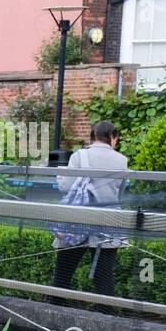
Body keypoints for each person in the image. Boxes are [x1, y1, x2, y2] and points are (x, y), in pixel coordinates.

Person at [52, 120, 128, 296]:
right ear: (112, 137)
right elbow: (120, 195)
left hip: (78, 221)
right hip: (109, 222)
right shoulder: (122, 160)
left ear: (92, 137)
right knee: (104, 277)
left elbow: (66, 188)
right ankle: (106, 316)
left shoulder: (79, 156)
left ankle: (56, 311)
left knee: (63, 275)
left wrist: (60, 178)